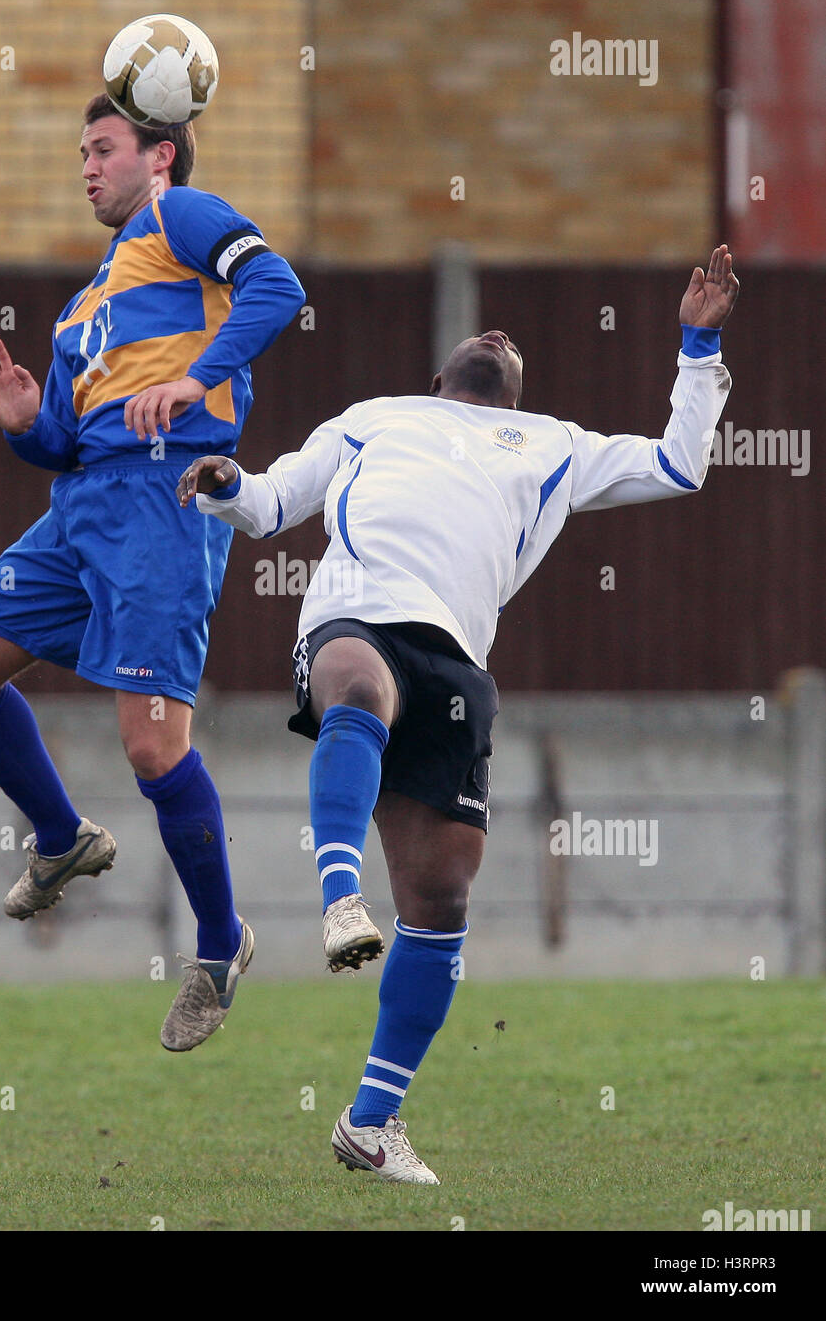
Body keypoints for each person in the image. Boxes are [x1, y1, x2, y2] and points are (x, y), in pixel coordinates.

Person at [177, 245, 740, 1179]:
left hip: (456, 661)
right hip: (356, 614)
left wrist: (697, 346)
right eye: (482, 334)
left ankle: (371, 1122)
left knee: (439, 901)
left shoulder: (556, 443)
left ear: (512, 396)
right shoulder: (372, 417)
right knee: (356, 688)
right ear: (437, 381)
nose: (498, 334)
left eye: (510, 341)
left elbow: (680, 465)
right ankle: (338, 897)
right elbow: (274, 501)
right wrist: (228, 486)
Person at [0, 93, 305, 1053]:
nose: (87, 168)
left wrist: (195, 377)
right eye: (82, 154)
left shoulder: (184, 216)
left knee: (152, 751)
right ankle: (63, 840)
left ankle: (218, 947)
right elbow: (64, 444)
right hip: (82, 508)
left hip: (162, 506)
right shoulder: (82, 306)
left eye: (103, 149)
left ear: (160, 154)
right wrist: (26, 426)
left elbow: (276, 288)